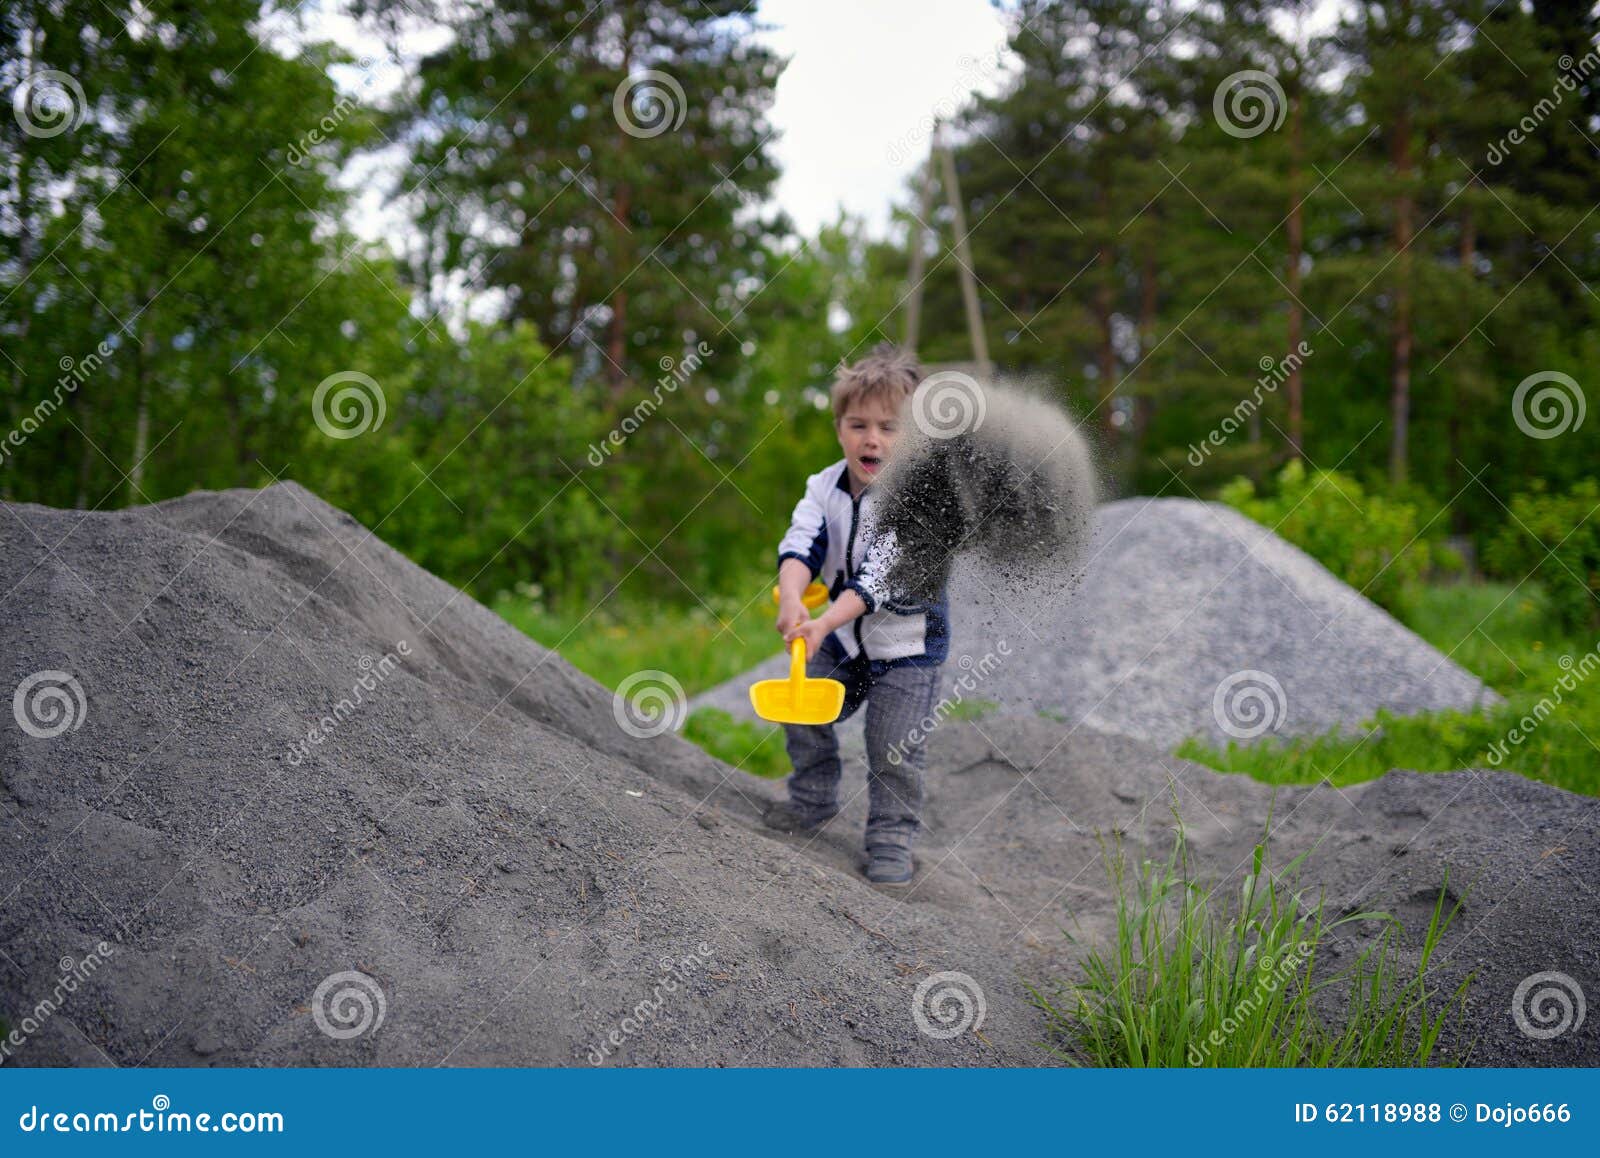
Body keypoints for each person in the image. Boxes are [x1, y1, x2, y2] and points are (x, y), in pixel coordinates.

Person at [765, 343, 949, 887]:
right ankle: (811, 803)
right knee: (802, 707)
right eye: (858, 425)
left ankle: (891, 837)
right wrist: (794, 596)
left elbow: (877, 577)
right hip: (844, 638)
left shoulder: (921, 501)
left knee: (891, 747)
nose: (873, 439)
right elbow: (800, 545)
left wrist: (821, 621)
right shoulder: (823, 487)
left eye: (890, 428)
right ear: (839, 428)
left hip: (907, 647)